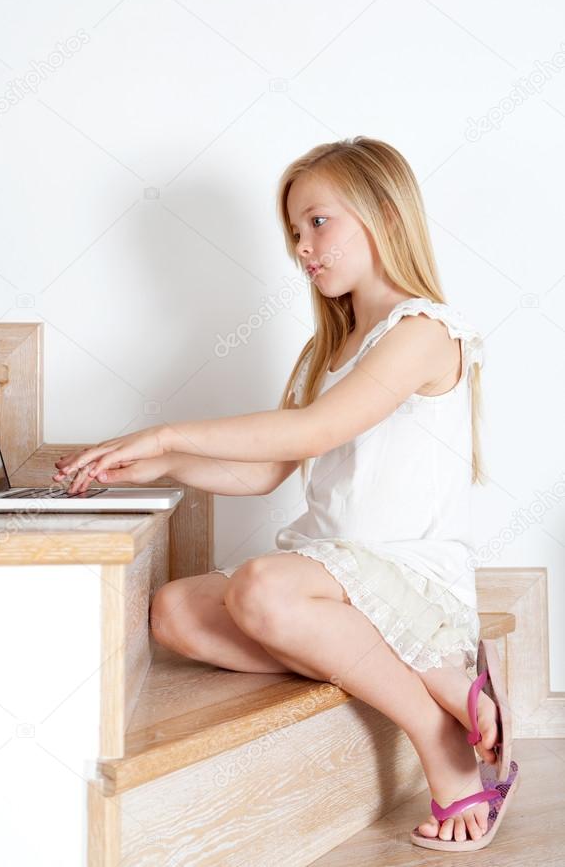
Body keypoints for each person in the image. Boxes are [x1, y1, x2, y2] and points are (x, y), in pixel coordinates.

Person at [52, 136, 510, 847]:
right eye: (295, 232)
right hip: (335, 574)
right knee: (174, 612)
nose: (303, 246)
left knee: (263, 588)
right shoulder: (329, 347)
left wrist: (168, 434)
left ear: (385, 214)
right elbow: (262, 472)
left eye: (319, 222)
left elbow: (312, 430)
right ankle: (427, 667)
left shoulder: (423, 330)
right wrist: (157, 466)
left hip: (408, 574)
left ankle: (439, 736)